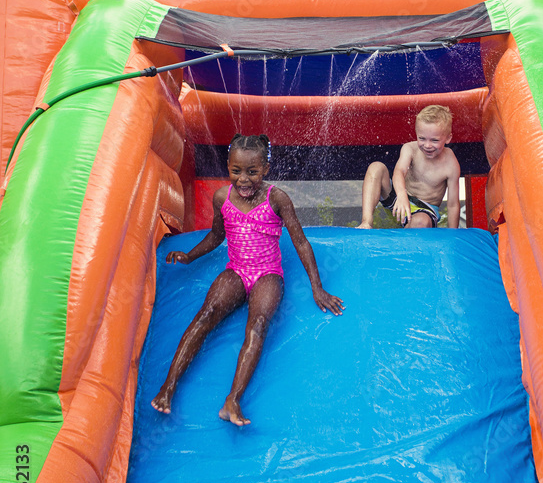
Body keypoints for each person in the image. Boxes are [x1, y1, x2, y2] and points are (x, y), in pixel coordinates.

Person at [151, 133, 344, 426]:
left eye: (252, 172)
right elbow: (217, 236)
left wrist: (317, 288)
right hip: (237, 270)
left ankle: (233, 399)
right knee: (205, 315)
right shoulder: (222, 198)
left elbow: (301, 243)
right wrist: (190, 256)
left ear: (265, 169)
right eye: (236, 171)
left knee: (257, 325)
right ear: (228, 167)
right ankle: (168, 387)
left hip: (267, 273)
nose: (243, 180)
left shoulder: (276, 198)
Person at [358, 105, 460, 230]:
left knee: (421, 221)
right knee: (376, 167)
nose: (427, 145)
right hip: (399, 201)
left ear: (448, 138)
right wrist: (401, 195)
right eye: (422, 138)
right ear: (416, 134)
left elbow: (453, 205)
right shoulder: (410, 149)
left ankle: (406, 240)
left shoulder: (451, 164)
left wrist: (453, 233)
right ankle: (366, 222)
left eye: (434, 140)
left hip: (424, 210)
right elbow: (399, 172)